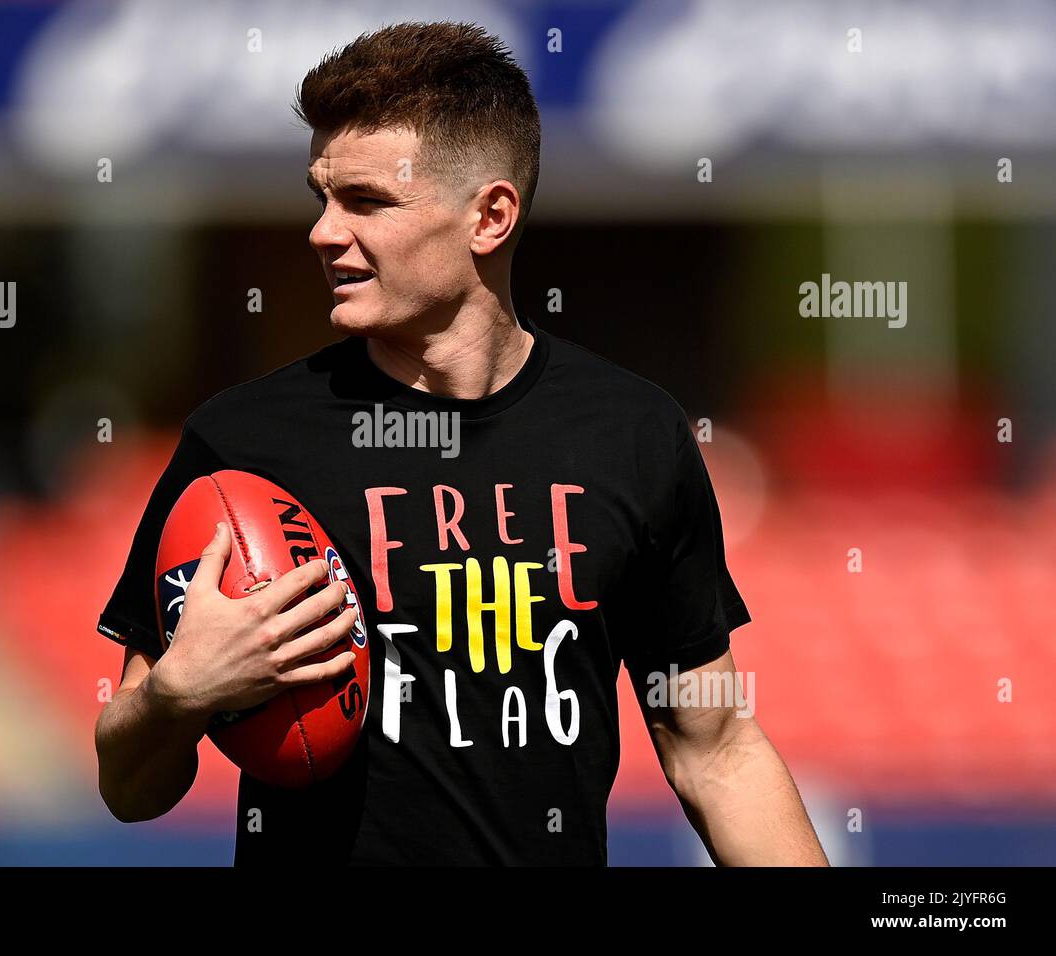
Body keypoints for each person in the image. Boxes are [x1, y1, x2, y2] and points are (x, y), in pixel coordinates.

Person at [94, 20, 828, 866]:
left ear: (490, 216)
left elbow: (717, 749)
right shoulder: (242, 443)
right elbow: (129, 790)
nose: (323, 233)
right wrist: (178, 700)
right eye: (320, 197)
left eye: (366, 202)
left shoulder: (633, 434)